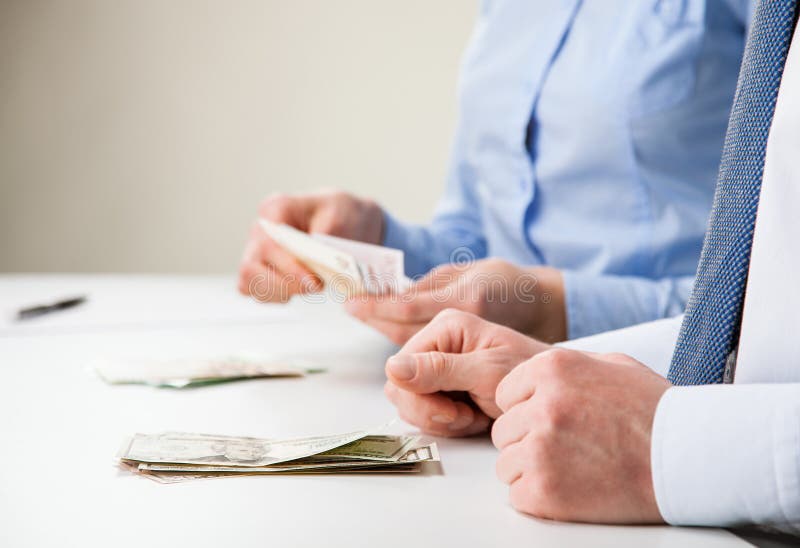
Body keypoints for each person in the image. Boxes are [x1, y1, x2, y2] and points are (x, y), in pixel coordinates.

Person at [382, 0, 800, 528]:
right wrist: (546, 369)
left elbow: (740, 285)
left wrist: (666, 445)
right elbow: (771, 313)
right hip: (547, 454)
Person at [239, 1, 753, 345]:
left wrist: (553, 309)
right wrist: (373, 240)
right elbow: (479, 248)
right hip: (500, 416)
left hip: (671, 422)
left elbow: (774, 304)